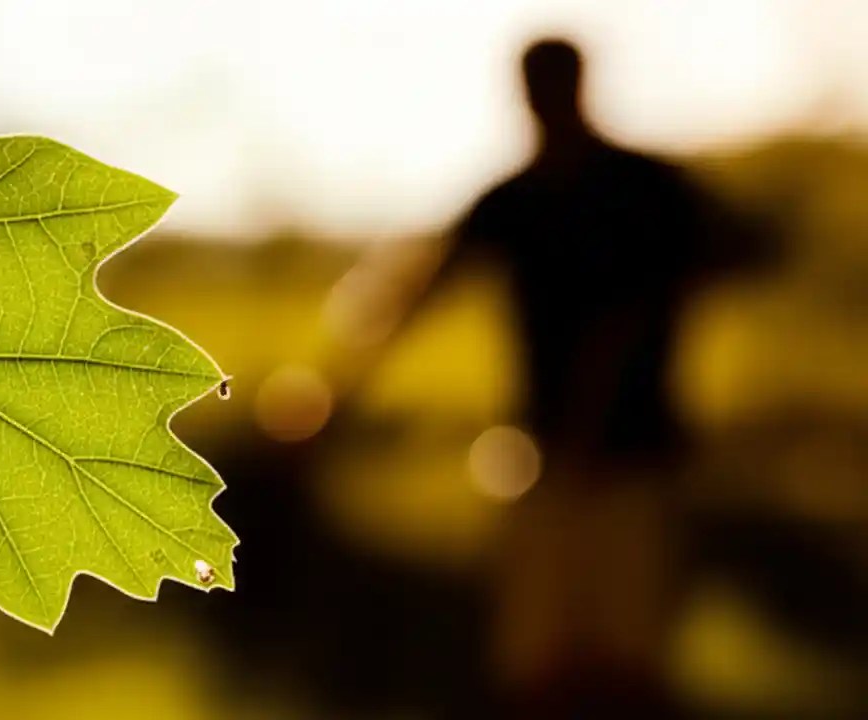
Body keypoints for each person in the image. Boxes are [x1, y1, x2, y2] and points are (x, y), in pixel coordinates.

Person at [323, 37, 757, 717]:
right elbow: (422, 290)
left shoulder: (646, 189)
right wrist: (334, 393)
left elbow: (741, 245)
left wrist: (655, 296)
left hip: (635, 457)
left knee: (630, 659)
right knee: (538, 661)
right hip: (544, 455)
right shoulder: (516, 201)